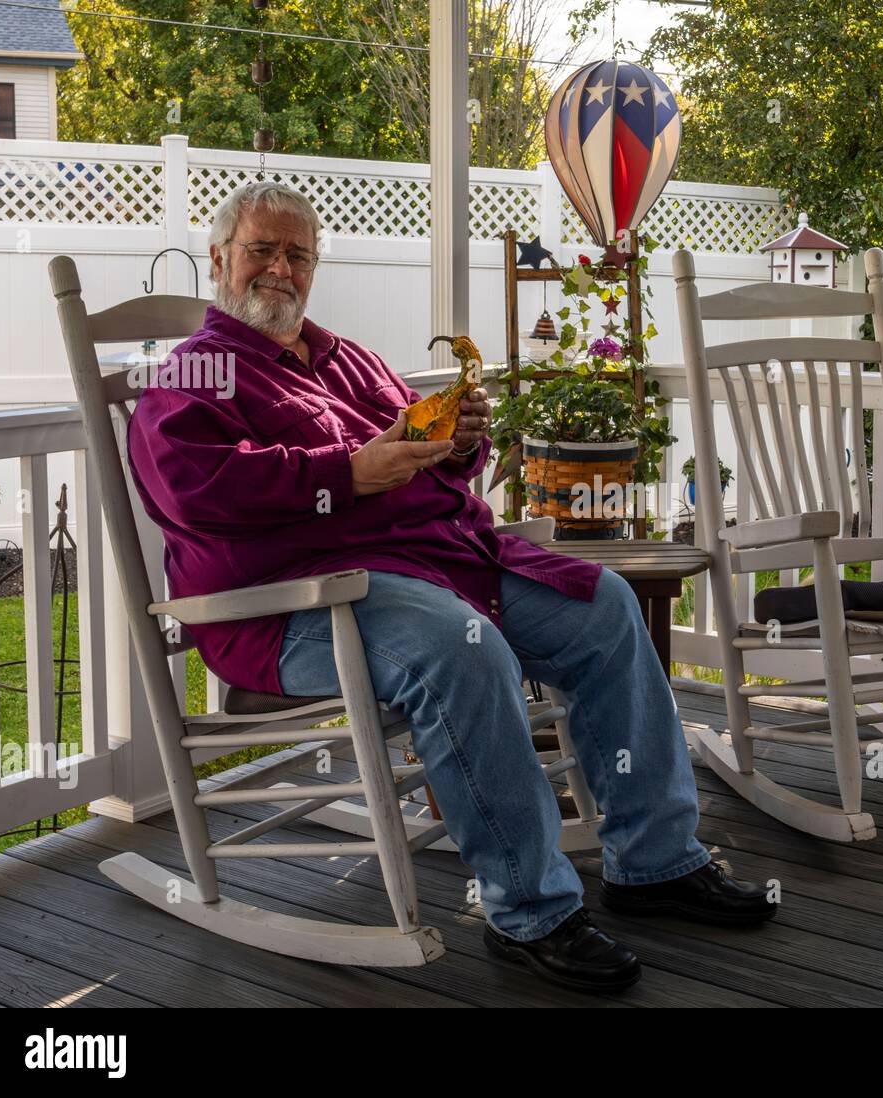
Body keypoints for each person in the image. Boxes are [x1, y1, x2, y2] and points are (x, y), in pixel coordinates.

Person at [126, 182, 775, 994]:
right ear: (221, 258)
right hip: (293, 602)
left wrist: (457, 442)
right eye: (263, 249)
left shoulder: (345, 358)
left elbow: (417, 448)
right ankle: (533, 911)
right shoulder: (195, 375)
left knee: (602, 606)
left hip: (441, 561)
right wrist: (347, 471)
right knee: (456, 653)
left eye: (298, 254)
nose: (280, 269)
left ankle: (655, 862)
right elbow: (195, 491)